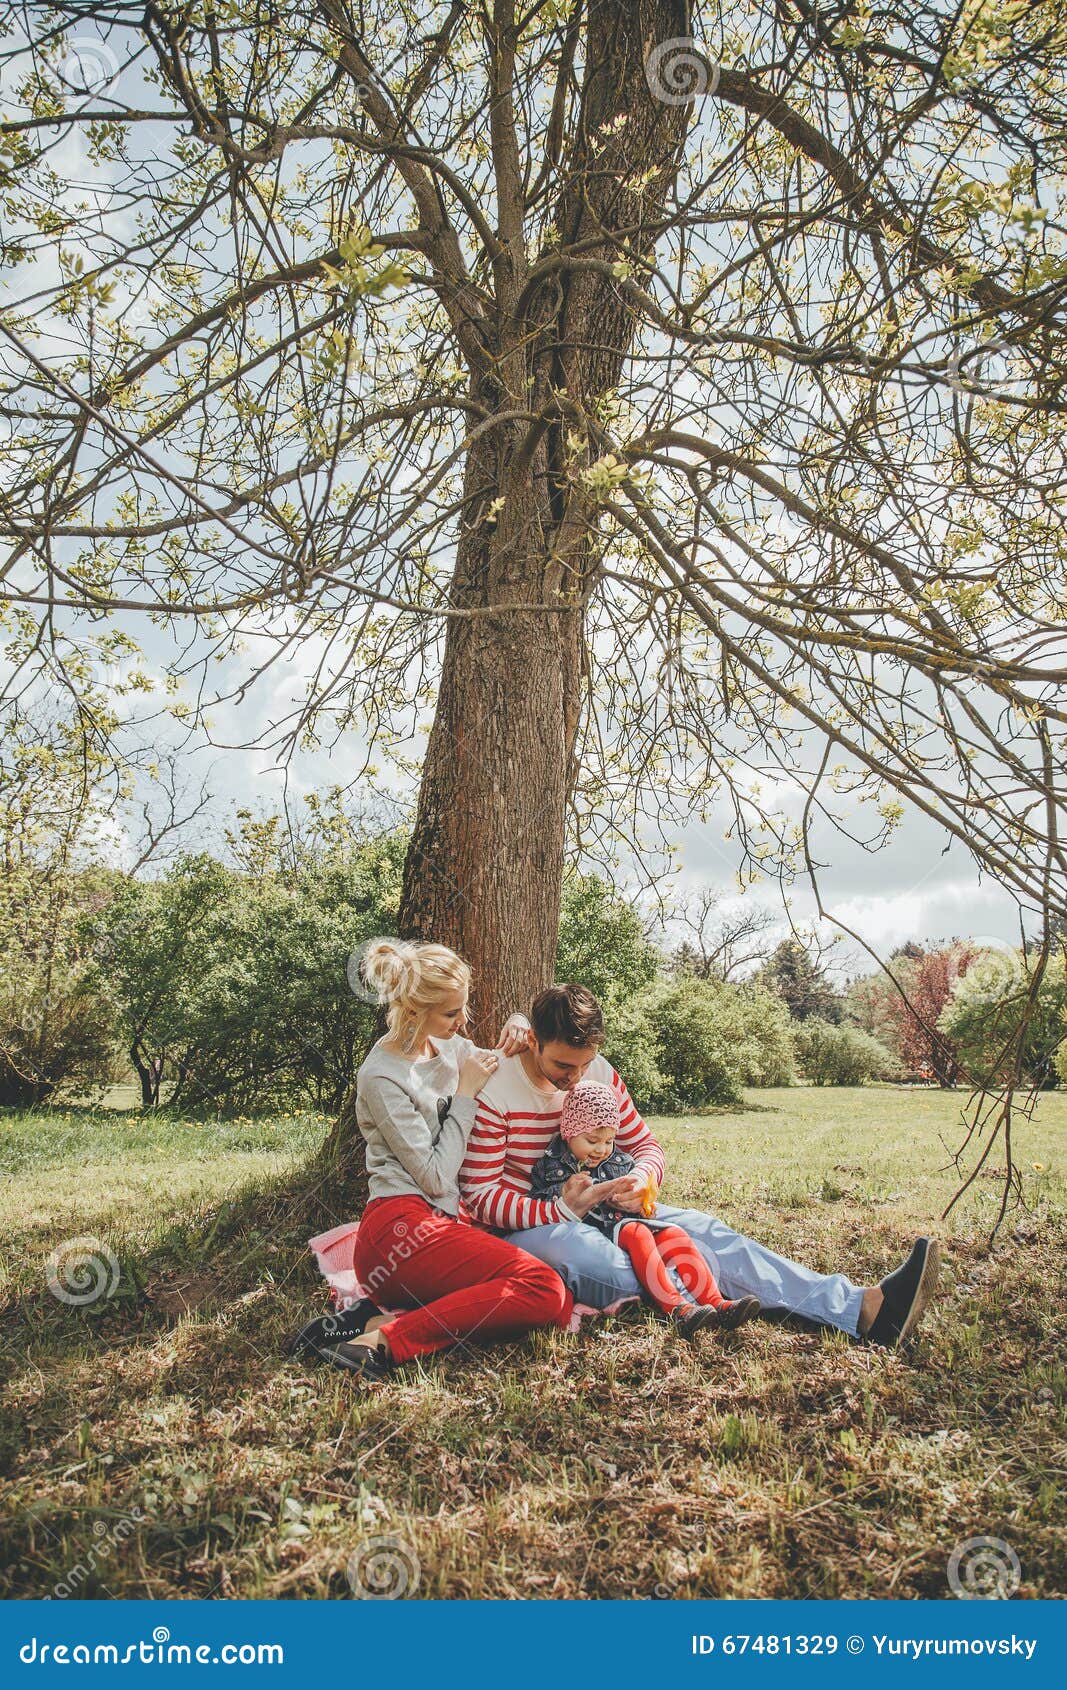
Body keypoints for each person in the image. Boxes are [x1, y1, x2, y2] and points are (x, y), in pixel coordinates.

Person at [460, 983, 941, 1348]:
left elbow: (647, 1147)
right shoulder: (498, 1087)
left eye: (585, 1065)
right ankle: (691, 1288)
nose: (576, 1078)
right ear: (535, 1042)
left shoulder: (600, 1074)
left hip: (615, 1213)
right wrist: (560, 1211)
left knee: (709, 1231)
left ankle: (864, 1310)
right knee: (609, 1265)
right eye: (565, 1067)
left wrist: (643, 1182)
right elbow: (479, 1197)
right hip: (536, 1224)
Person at [291, 941, 573, 1384]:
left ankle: (370, 1319)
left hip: (438, 1227)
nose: (463, 1022)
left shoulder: (446, 1046)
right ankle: (382, 1344)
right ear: (411, 1010)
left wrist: (520, 1025)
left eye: (463, 1009)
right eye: (450, 1014)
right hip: (398, 1229)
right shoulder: (382, 1076)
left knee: (552, 1301)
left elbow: (492, 1063)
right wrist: (464, 1095)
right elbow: (436, 1176)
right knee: (542, 1288)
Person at [529, 1079, 761, 1336]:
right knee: (637, 1233)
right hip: (596, 1230)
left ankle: (717, 1303)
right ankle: (678, 1308)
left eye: (608, 1141)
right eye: (592, 1140)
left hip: (624, 1220)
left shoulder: (618, 1160)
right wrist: (562, 1194)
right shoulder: (553, 1164)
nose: (601, 1150)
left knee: (674, 1233)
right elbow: (539, 1201)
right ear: (569, 1132)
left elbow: (642, 1192)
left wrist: (641, 1200)